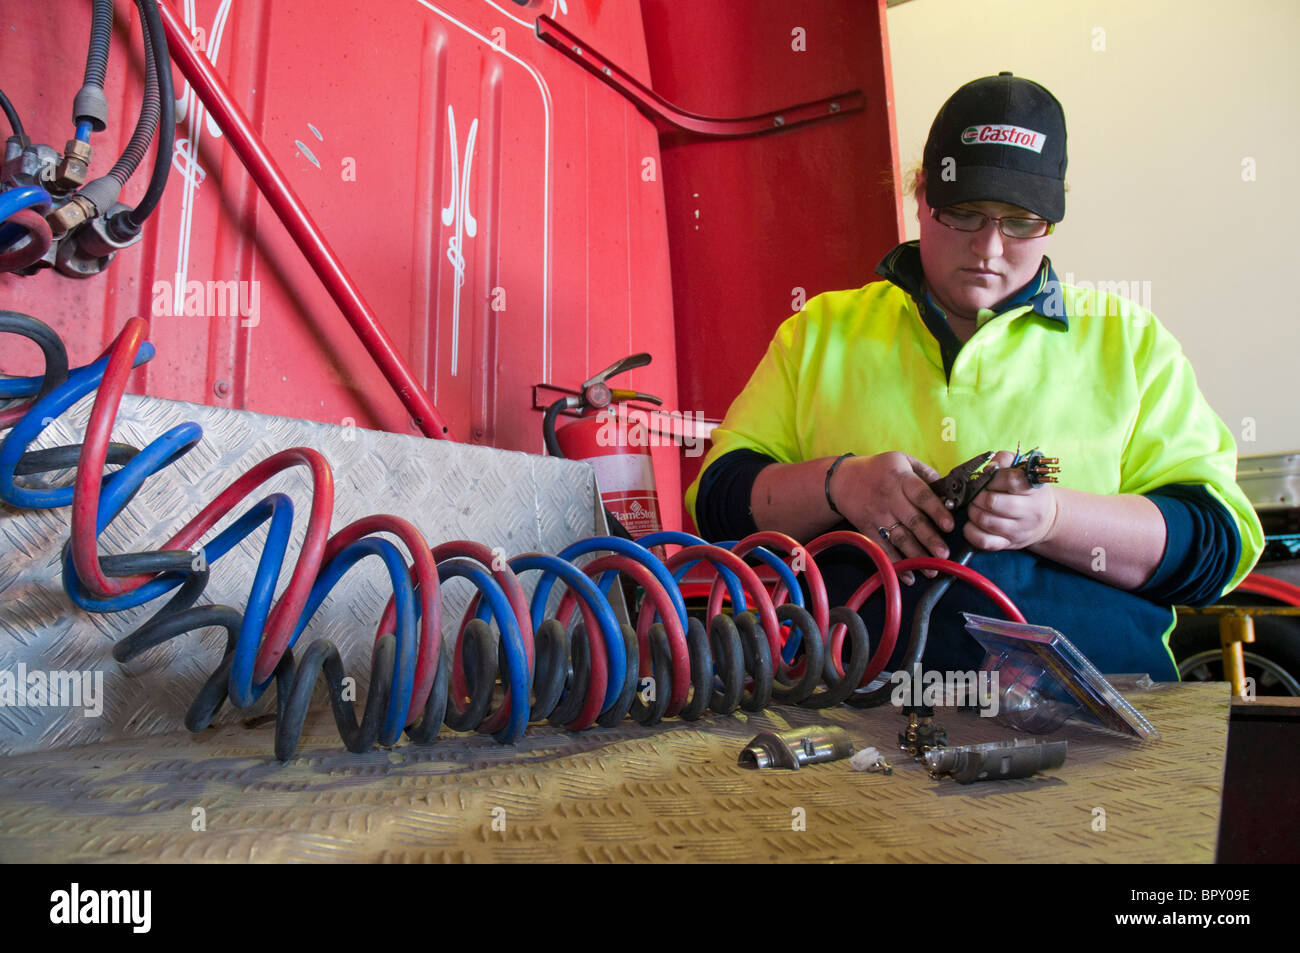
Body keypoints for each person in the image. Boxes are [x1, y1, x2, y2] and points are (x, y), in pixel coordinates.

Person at [685, 72, 1264, 679]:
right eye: (963, 213)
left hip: (1092, 724)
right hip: (848, 716)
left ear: (1053, 219)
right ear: (920, 195)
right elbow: (720, 504)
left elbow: (1214, 546)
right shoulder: (821, 332)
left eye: (1019, 221)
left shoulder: (1130, 342)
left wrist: (1055, 519)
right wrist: (839, 484)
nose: (988, 248)